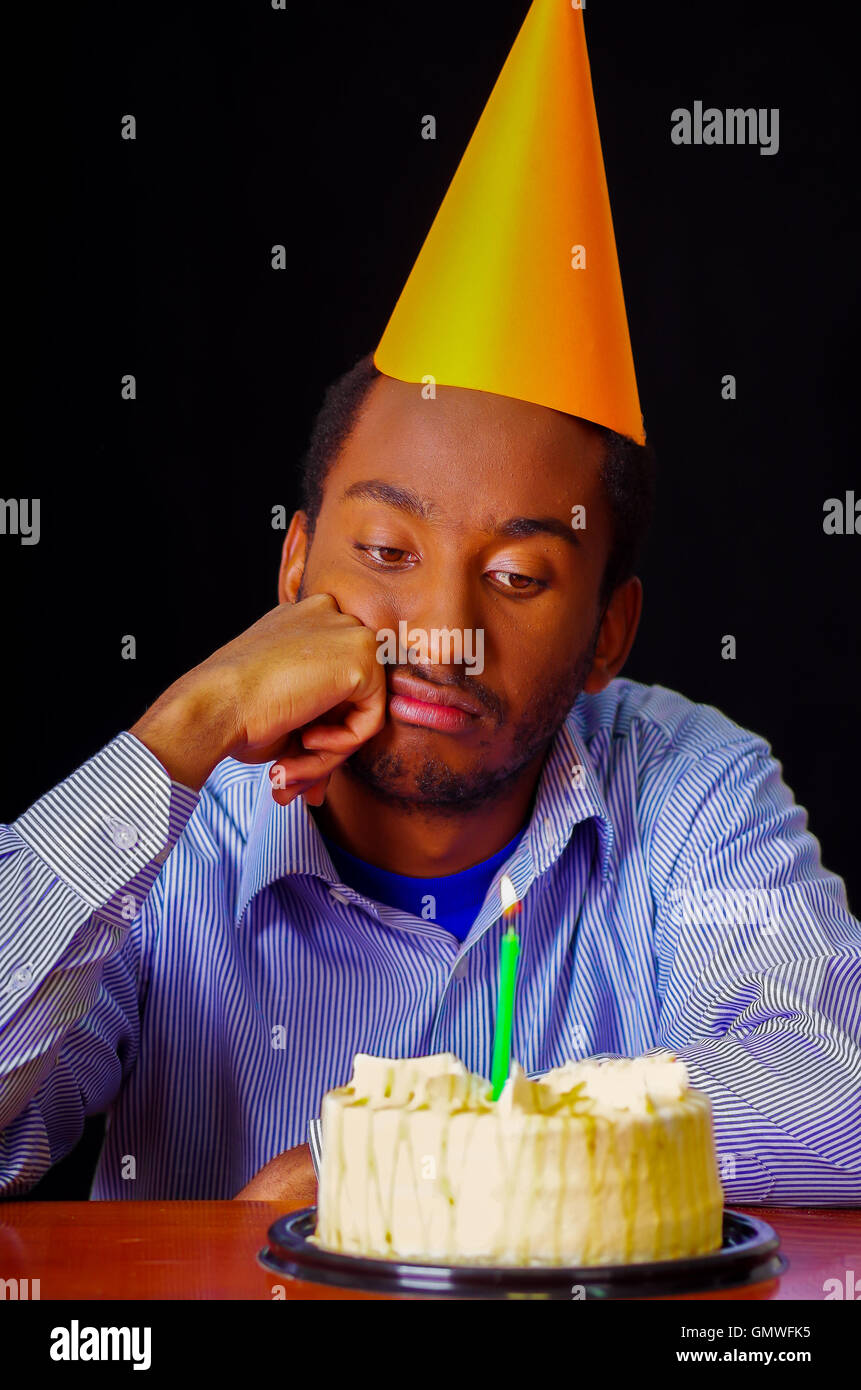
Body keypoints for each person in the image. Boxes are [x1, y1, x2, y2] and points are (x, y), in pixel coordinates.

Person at [2, 1, 858, 1205]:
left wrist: (429, 1159)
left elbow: (832, 1089)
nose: (444, 628)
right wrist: (179, 731)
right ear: (294, 568)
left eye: (517, 576)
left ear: (610, 631)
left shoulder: (691, 787)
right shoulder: (180, 823)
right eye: (388, 550)